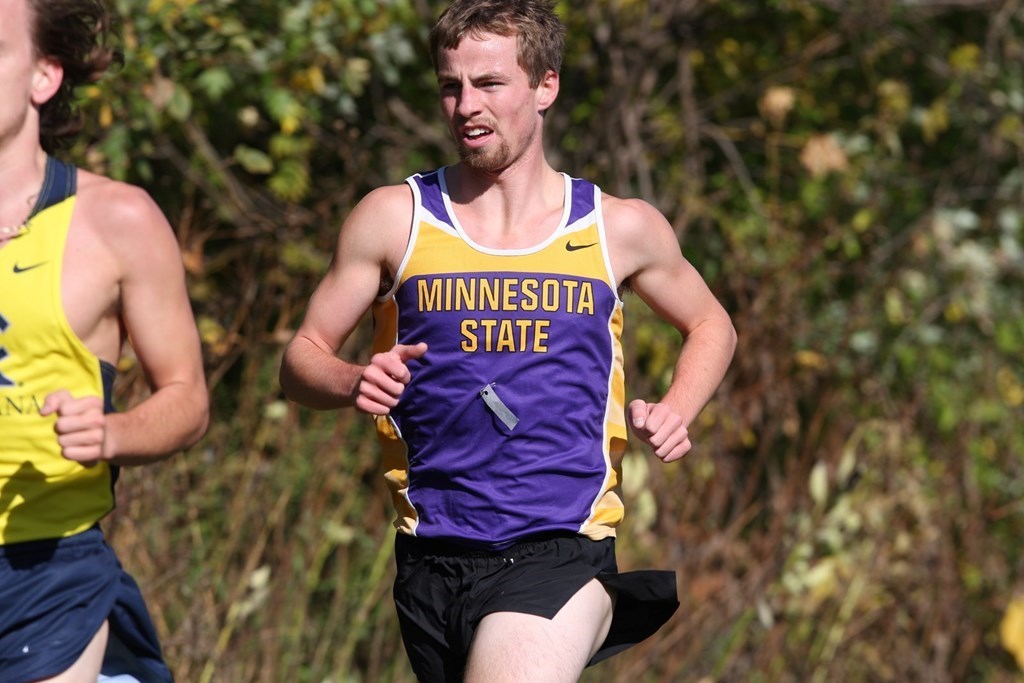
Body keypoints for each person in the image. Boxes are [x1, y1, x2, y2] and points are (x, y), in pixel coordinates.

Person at [280, 0, 736, 680]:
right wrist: (351, 379)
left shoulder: (617, 227)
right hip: (430, 556)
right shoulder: (394, 219)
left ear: (545, 85)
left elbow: (710, 324)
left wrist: (677, 407)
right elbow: (300, 358)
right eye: (451, 86)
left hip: (561, 550)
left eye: (489, 83)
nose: (467, 105)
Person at [0, 0, 209, 681]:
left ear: (44, 75)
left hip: (46, 572)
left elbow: (187, 399)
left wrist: (111, 432)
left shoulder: (116, 219)